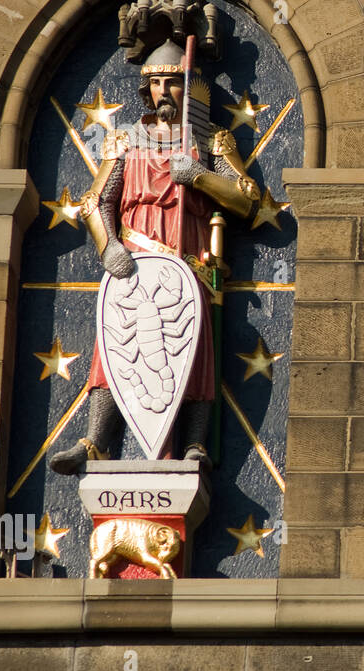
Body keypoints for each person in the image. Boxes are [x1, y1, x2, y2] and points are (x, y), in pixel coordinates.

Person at [50, 40, 259, 474]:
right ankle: (95, 442)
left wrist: (199, 176)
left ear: (190, 89)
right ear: (146, 90)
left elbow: (247, 199)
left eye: (173, 82)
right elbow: (95, 202)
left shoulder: (209, 141)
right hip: (134, 262)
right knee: (113, 350)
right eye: (157, 84)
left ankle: (195, 443)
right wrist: (109, 247)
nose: (165, 91)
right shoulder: (124, 140)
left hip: (187, 265)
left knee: (193, 351)